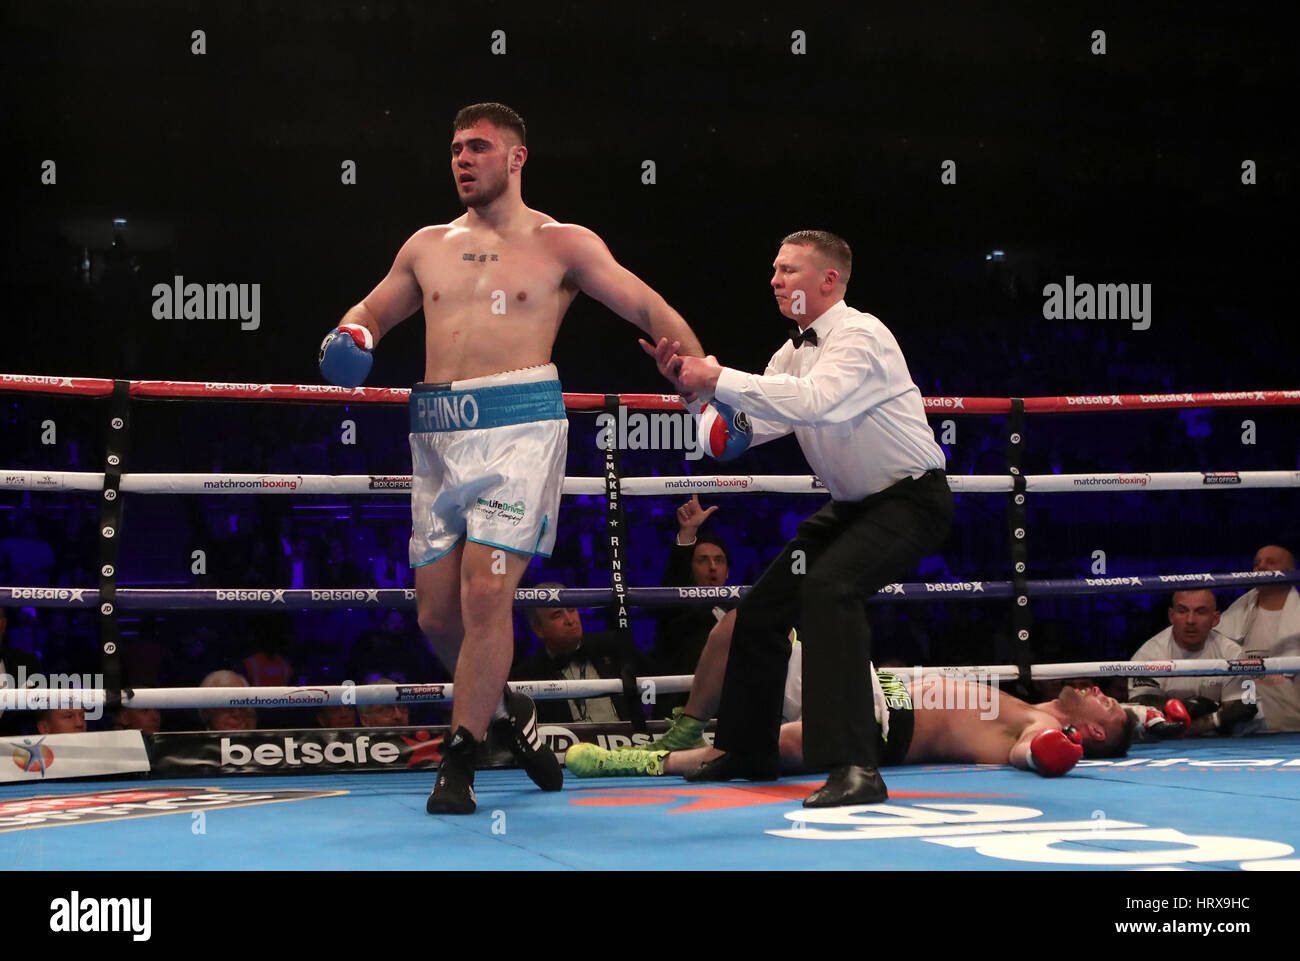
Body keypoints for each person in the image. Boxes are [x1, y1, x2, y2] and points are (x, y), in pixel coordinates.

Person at [321, 102, 705, 814]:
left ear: (517, 157)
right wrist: (351, 334)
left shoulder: (563, 244)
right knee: (437, 617)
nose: (462, 160)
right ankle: (511, 712)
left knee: (486, 591)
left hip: (519, 429)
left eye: (477, 147)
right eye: (455, 149)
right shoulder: (425, 245)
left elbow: (650, 306)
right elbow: (371, 311)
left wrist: (691, 365)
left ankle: (461, 757)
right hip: (437, 433)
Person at [647, 229, 952, 806]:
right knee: (762, 609)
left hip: (911, 501)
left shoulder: (863, 336)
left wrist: (717, 377)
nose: (775, 279)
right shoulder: (790, 354)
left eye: (788, 270)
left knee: (831, 589)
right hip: (852, 508)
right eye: (774, 269)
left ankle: (856, 767)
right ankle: (746, 749)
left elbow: (816, 402)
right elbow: (732, 440)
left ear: (828, 280)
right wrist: (692, 395)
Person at [568, 673, 1134, 779]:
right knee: (743, 626)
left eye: (1107, 705)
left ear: (1095, 735)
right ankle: (683, 732)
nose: (1098, 692)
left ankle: (645, 761)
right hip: (872, 681)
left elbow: (1036, 755)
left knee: (770, 746)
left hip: (885, 730)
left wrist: (1059, 749)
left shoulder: (1038, 726)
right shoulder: (1033, 707)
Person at [1127, 590, 1261, 737]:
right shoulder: (1149, 655)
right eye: (1182, 611)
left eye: (1200, 612)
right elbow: (1143, 708)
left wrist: (1211, 719)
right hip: (1164, 746)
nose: (1190, 620)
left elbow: (1241, 709)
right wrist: (1201, 712)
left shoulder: (1232, 654)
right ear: (1171, 616)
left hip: (1221, 745)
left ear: (1215, 618)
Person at [651, 495, 734, 716]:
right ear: (691, 568)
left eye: (719, 560)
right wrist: (688, 532)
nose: (713, 567)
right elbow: (672, 583)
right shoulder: (679, 609)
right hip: (683, 709)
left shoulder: (738, 610)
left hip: (731, 709)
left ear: (728, 572)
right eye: (703, 560)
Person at [511, 585, 640, 724]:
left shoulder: (612, 647)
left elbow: (655, 689)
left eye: (572, 610)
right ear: (538, 629)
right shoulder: (527, 675)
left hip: (623, 741)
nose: (570, 620)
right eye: (557, 615)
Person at [1217, 545, 1300, 732]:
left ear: (1290, 572)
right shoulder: (1235, 616)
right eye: (1257, 563)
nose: (1260, 567)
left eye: (1271, 562)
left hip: (1293, 729)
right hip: (1245, 731)